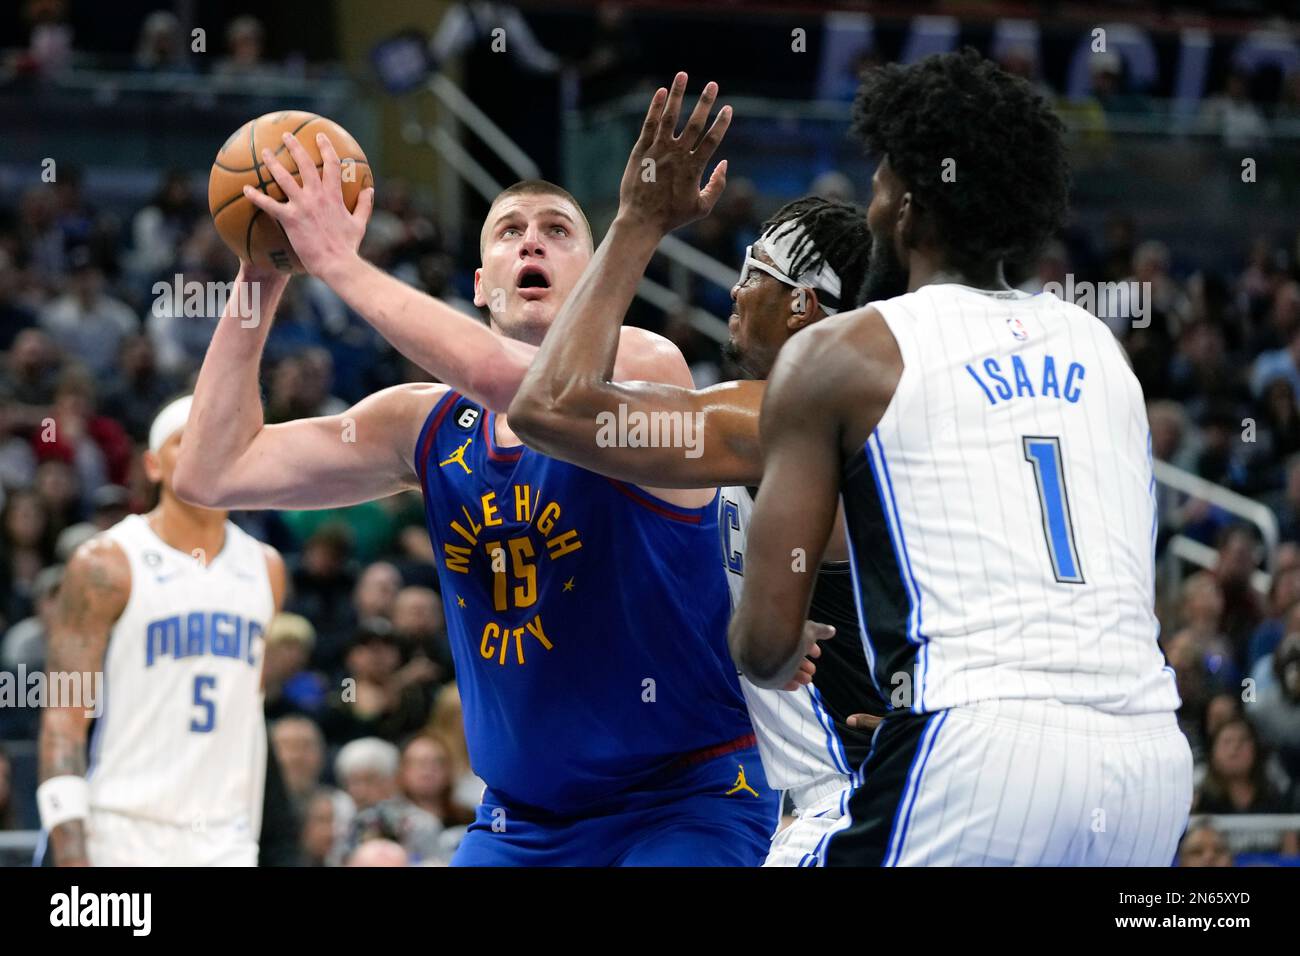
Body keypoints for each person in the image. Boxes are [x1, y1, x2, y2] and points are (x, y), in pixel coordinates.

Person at [177, 86, 777, 865]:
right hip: (521, 821)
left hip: (683, 797)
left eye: (558, 231)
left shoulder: (645, 364)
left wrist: (339, 263)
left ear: (597, 274)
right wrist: (266, 263)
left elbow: (531, 397)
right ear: (478, 285)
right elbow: (212, 470)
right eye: (510, 232)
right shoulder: (421, 425)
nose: (532, 243)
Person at [727, 48, 1192, 866]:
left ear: (906, 207)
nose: (868, 204)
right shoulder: (1101, 350)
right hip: (1151, 761)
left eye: (876, 183)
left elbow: (766, 647)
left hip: (976, 754)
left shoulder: (843, 351)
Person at [506, 73, 885, 864]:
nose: (735, 293)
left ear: (804, 306)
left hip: (853, 806)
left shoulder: (772, 415)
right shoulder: (889, 417)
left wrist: (639, 221)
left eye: (754, 274)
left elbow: (550, 407)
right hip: (893, 788)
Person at [36, 395, 286, 865]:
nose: (203, 452)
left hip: (227, 837)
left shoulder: (266, 569)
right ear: (152, 466)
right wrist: (69, 847)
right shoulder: (106, 563)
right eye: (183, 442)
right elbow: (63, 717)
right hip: (120, 830)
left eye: (218, 441)